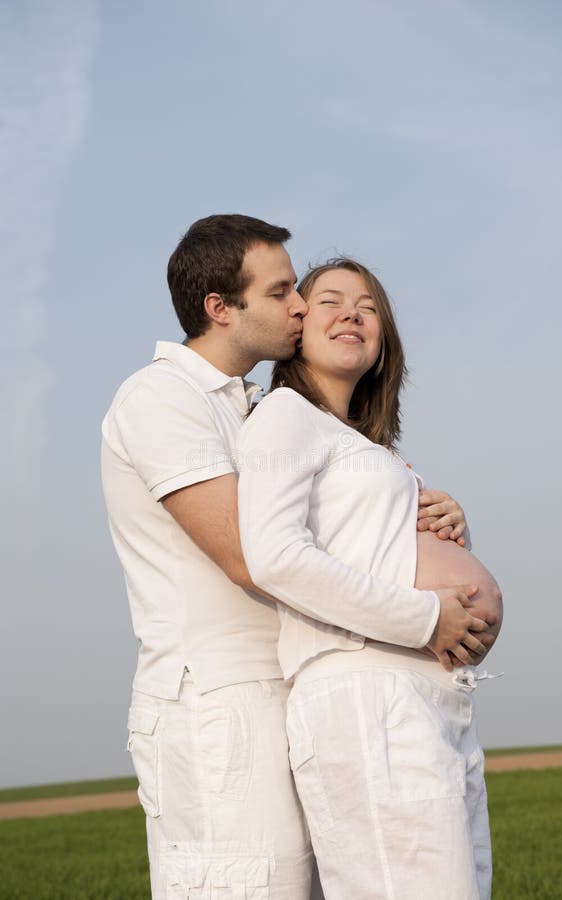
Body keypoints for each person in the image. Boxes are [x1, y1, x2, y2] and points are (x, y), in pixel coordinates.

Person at [101, 216, 483, 899]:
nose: (301, 306)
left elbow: (338, 529)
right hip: (219, 702)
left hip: (289, 690)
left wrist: (425, 522)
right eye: (282, 292)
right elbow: (255, 557)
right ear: (220, 308)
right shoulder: (161, 398)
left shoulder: (262, 407)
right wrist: (425, 615)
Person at [236, 258, 503, 899]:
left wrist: (449, 525)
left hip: (430, 695)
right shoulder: (285, 416)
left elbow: (380, 549)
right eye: (328, 301)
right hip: (367, 692)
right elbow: (273, 556)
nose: (352, 313)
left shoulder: (366, 445)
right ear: (296, 326)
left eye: (369, 306)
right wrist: (426, 617)